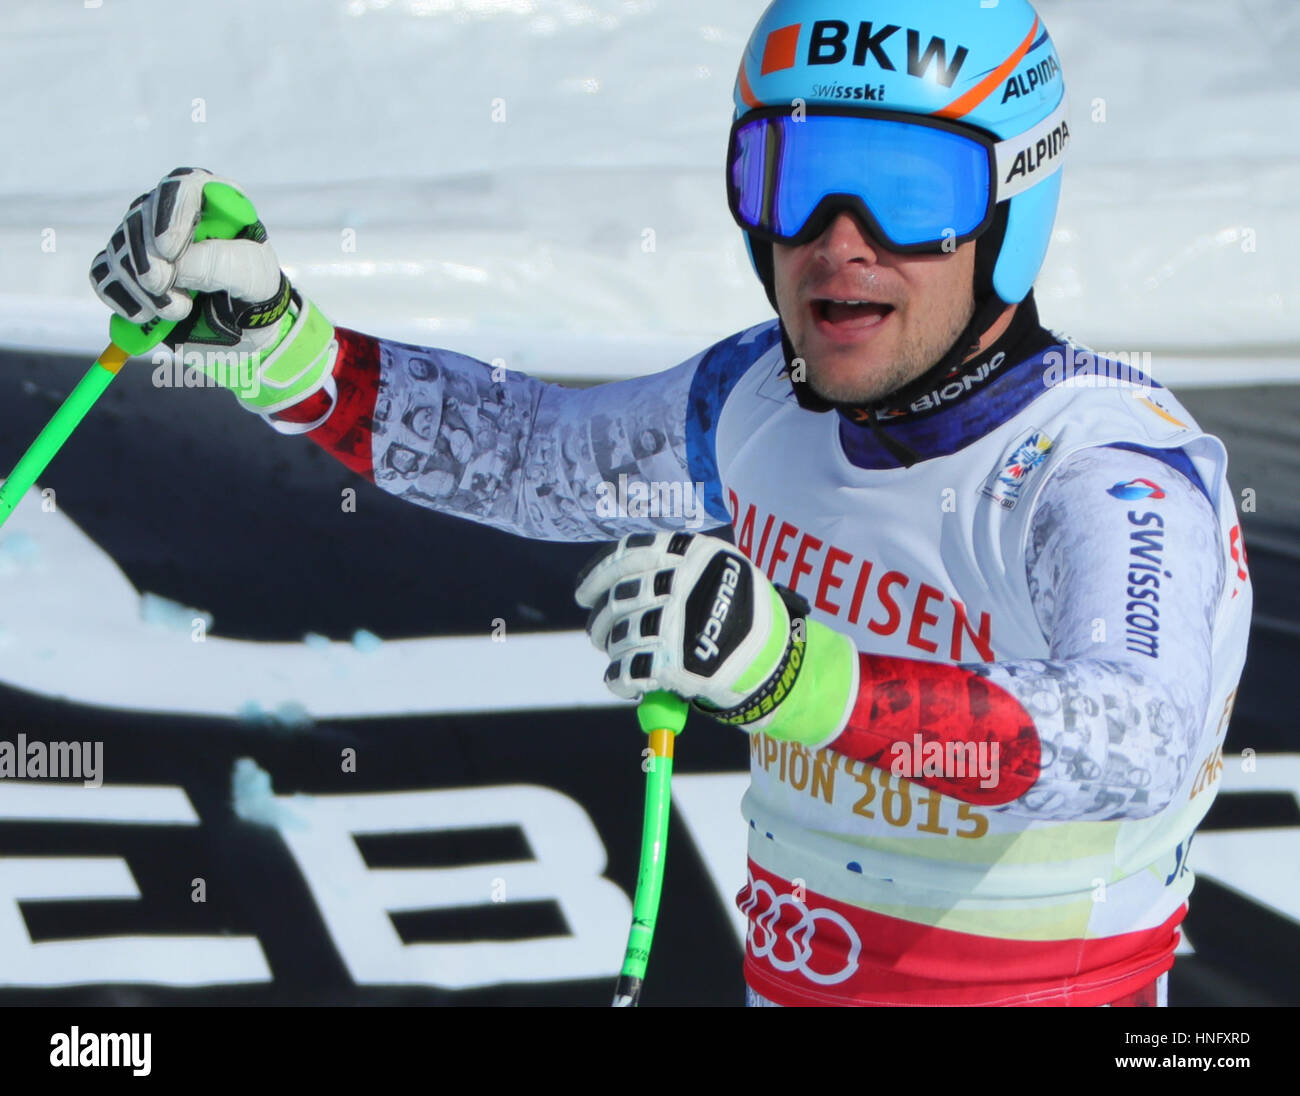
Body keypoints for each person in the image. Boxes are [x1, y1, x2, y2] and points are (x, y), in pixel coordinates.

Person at [88, 0, 1251, 1007]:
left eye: (908, 191)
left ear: (1012, 210)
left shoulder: (1103, 472)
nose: (838, 244)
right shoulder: (755, 402)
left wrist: (798, 680)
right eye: (790, 179)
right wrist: (286, 350)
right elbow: (530, 455)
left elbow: (1129, 738)